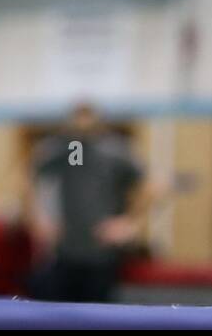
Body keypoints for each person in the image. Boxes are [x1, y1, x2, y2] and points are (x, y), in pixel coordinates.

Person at [26, 103, 152, 303]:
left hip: (102, 256)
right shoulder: (62, 150)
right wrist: (39, 216)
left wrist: (130, 222)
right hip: (65, 254)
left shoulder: (116, 151)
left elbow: (151, 184)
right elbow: (30, 177)